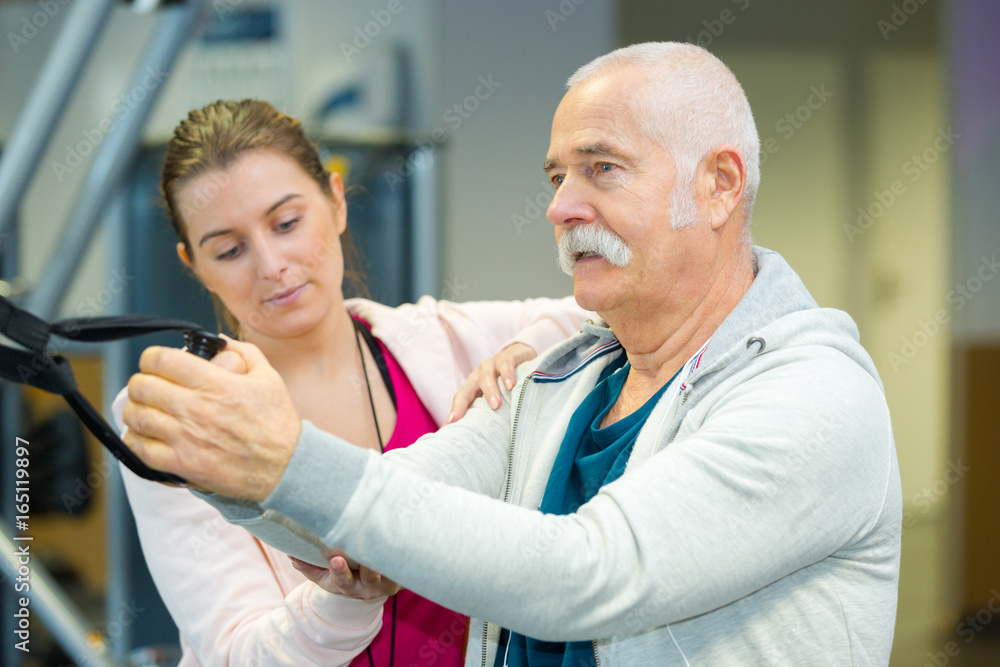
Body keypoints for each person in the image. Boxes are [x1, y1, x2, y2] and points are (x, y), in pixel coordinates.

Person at [121, 43, 902, 666]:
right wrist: (231, 470)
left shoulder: (813, 397)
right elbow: (364, 514)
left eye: (601, 167)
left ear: (720, 185)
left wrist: (283, 461)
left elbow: (587, 573)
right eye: (557, 175)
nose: (560, 206)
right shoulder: (562, 380)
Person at [110, 98, 591, 667]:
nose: (271, 264)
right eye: (230, 249)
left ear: (336, 203)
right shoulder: (182, 416)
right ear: (193, 264)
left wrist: (523, 348)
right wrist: (339, 603)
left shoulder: (438, 339)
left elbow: (599, 316)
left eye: (287, 223)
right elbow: (236, 654)